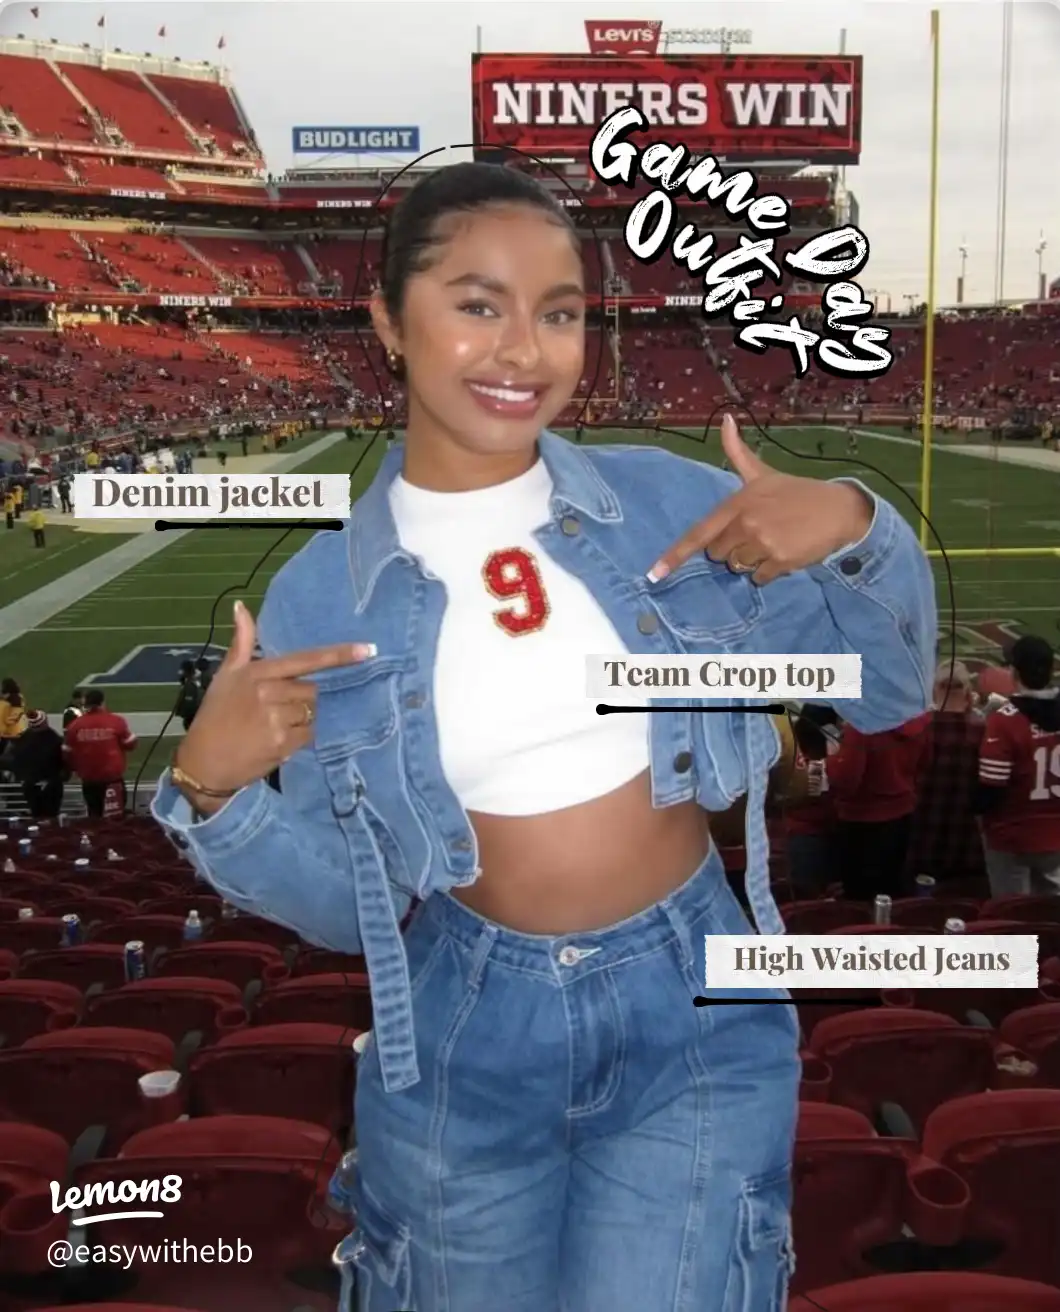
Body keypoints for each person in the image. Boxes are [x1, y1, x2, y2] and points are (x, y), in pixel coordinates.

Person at [150, 163, 935, 1312]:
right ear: (387, 321)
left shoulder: (669, 501)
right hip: (465, 1022)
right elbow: (350, 906)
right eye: (478, 303)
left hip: (691, 997)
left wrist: (857, 527)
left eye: (558, 312)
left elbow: (887, 691)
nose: (524, 348)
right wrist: (214, 793)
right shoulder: (322, 595)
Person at [977, 635, 1060, 895]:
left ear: (1014, 672)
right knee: (1050, 911)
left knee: (1011, 911)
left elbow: (991, 788)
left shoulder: (1004, 721)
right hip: (1056, 835)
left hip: (1011, 834)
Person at [905, 660, 987, 887]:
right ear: (969, 695)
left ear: (933, 691)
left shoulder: (915, 729)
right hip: (966, 845)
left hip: (919, 840)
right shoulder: (984, 731)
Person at [63, 688, 137, 817]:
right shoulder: (116, 721)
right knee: (116, 816)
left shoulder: (75, 726)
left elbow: (67, 753)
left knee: (94, 815)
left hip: (89, 779)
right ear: (102, 702)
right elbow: (131, 744)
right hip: (112, 778)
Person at [11, 709, 67, 818]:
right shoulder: (53, 738)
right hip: (50, 784)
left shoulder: (23, 739)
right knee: (51, 816)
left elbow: (16, 760)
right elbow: (63, 760)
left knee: (36, 814)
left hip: (30, 784)